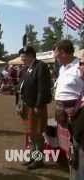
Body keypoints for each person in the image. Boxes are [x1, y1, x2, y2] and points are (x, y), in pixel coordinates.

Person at [17, 46, 52, 169]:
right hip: (26, 106)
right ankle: (33, 156)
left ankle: (38, 160)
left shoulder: (40, 66)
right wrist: (19, 103)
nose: (22, 59)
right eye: (21, 56)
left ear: (31, 55)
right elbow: (21, 86)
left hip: (36, 106)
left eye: (23, 56)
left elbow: (42, 88)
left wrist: (38, 105)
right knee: (30, 133)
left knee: (36, 134)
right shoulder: (27, 68)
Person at [53, 40, 84, 180]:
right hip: (61, 112)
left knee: (79, 145)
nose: (55, 56)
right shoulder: (62, 68)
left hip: (77, 111)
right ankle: (74, 174)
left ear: (64, 53)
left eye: (57, 53)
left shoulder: (80, 67)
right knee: (70, 146)